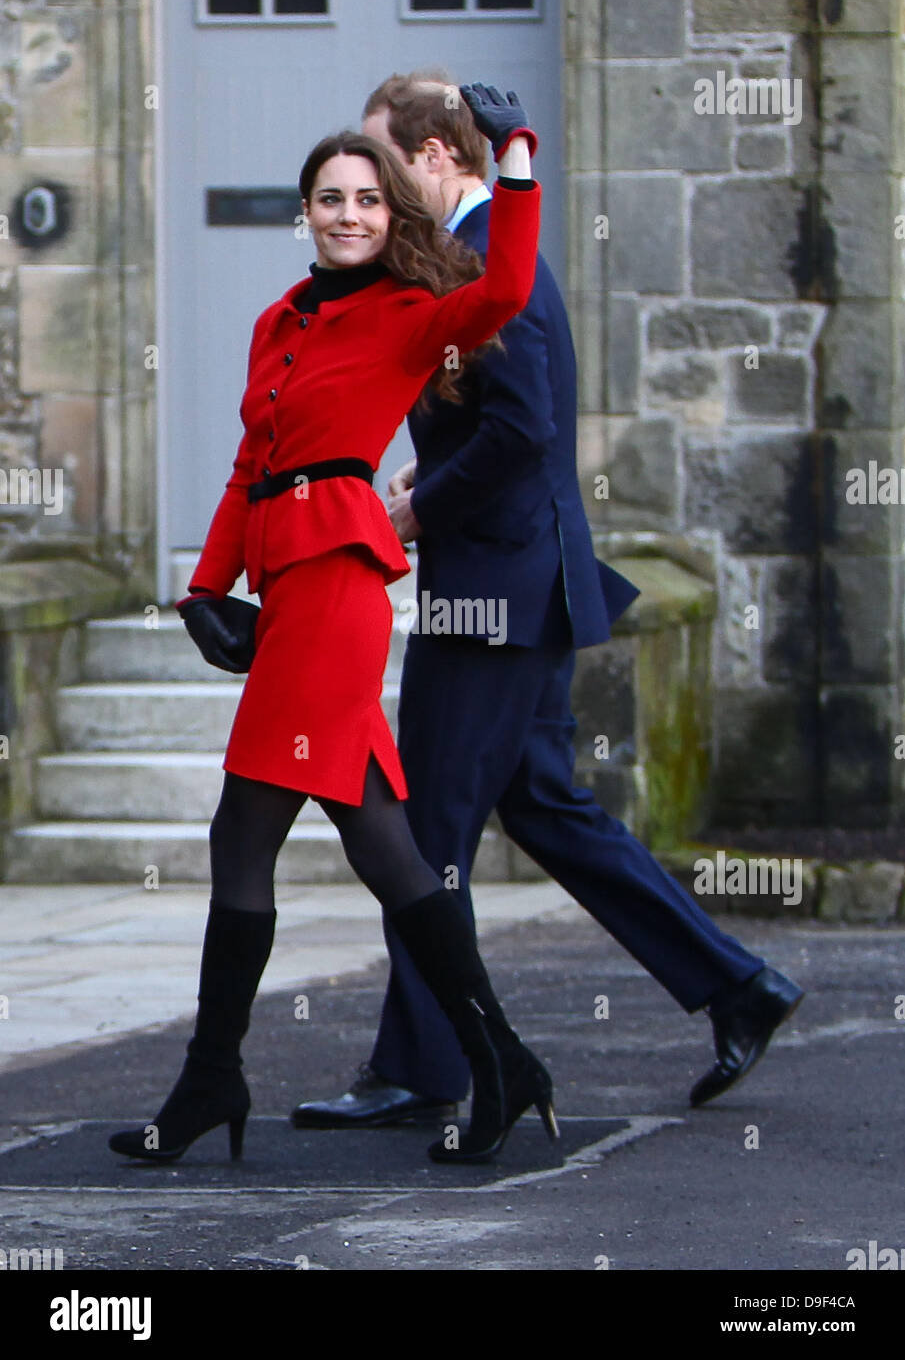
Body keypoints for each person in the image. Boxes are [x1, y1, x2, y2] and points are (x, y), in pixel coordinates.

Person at [290, 71, 804, 1132]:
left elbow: (523, 430)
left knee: (425, 823)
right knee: (543, 806)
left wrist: (417, 510)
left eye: (383, 162)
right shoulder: (467, 249)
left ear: (436, 156)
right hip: (520, 580)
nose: (369, 186)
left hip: (496, 592)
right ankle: (737, 983)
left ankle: (423, 1065)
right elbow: (505, 419)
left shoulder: (487, 254)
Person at [108, 84, 560, 1167]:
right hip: (285, 586)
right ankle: (500, 1059)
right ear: (304, 211)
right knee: (385, 849)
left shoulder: (412, 313)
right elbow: (249, 465)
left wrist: (513, 160)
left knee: (241, 834)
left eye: (366, 198)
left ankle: (212, 1077)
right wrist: (202, 590)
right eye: (329, 198)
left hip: (337, 591)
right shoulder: (277, 321)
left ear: (390, 211)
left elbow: (503, 285)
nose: (347, 214)